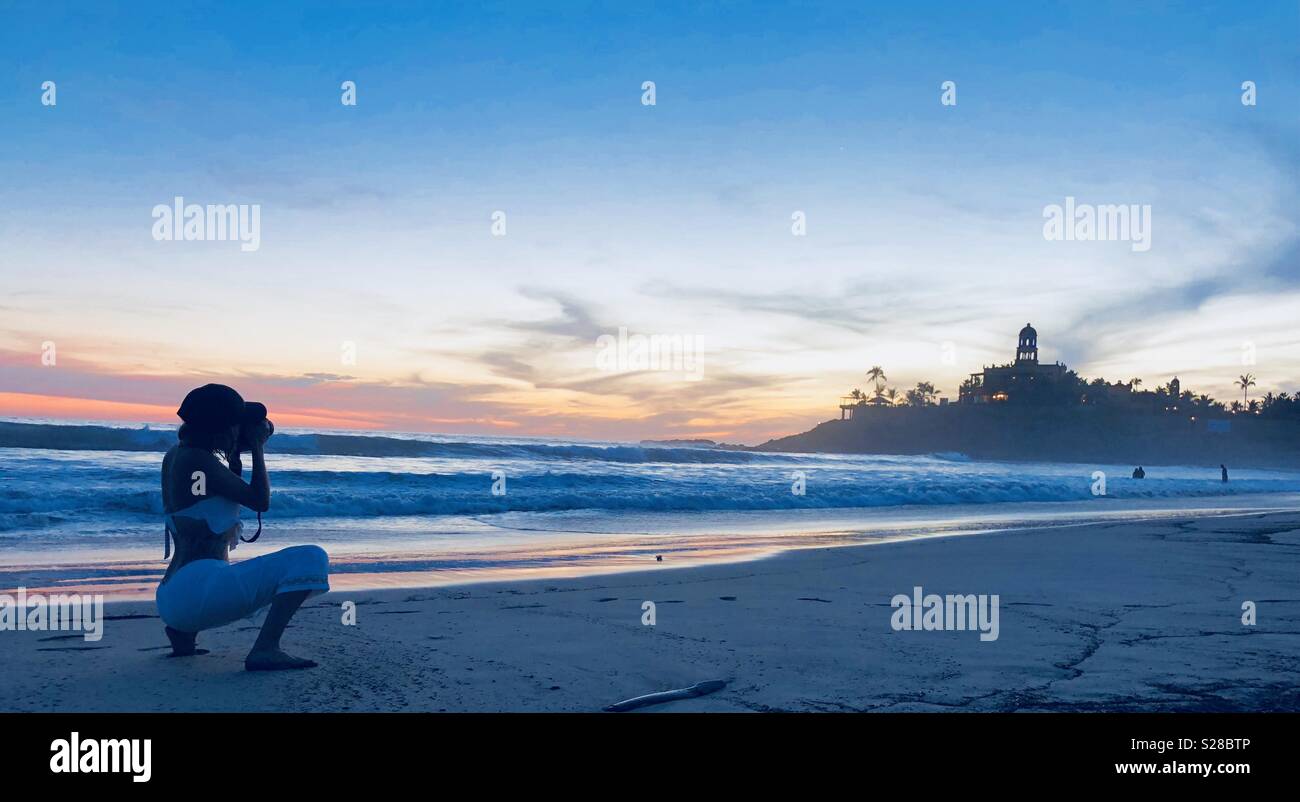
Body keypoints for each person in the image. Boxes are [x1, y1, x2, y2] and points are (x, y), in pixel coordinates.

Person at [156, 384, 330, 671]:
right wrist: (258, 448)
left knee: (212, 561)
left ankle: (182, 634)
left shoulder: (178, 455)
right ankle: (266, 648)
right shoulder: (199, 460)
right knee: (312, 557)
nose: (241, 430)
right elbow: (260, 500)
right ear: (221, 425)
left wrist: (238, 447)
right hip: (197, 594)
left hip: (171, 596)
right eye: (236, 424)